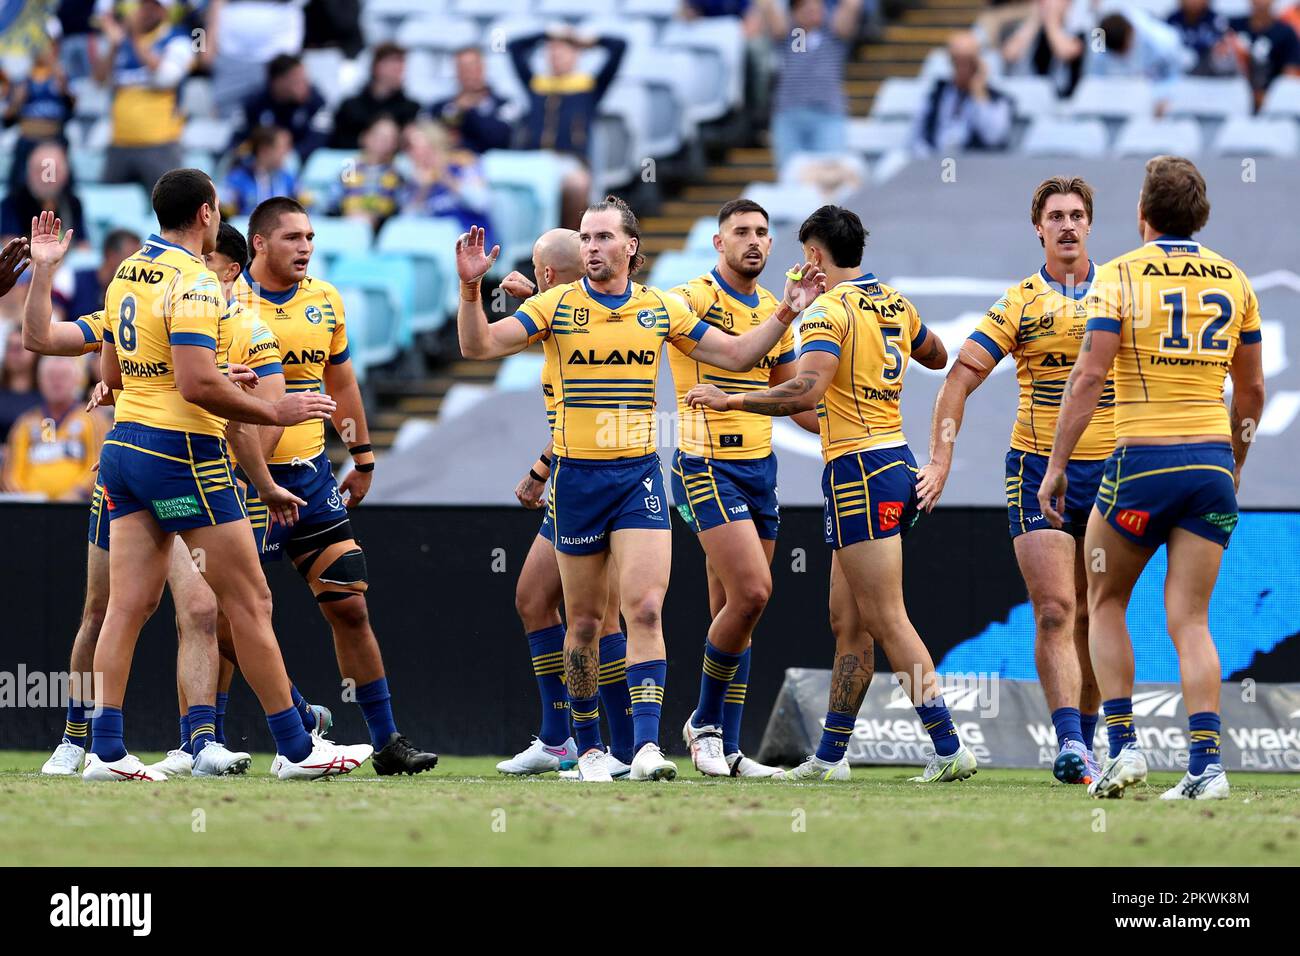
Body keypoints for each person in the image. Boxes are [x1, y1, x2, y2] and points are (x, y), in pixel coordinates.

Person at [455, 197, 825, 782]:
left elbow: (735, 354)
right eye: (585, 238)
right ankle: (589, 747)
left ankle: (648, 748)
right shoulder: (555, 306)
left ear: (630, 246)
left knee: (646, 608)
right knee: (581, 623)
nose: (592, 247)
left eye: (603, 237)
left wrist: (786, 312)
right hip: (578, 479)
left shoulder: (657, 309)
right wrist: (472, 290)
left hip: (640, 476)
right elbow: (478, 346)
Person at [88, 168, 371, 781]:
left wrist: (215, 378)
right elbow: (193, 385)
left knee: (126, 607)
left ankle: (104, 752)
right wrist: (276, 407)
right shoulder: (195, 281)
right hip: (181, 453)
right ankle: (298, 749)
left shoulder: (127, 273)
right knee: (251, 601)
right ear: (209, 213)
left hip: (124, 451)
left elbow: (112, 376)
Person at [684, 205, 975, 785]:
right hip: (895, 462)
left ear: (814, 255)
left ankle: (948, 746)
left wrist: (734, 400)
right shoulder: (895, 302)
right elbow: (939, 356)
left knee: (887, 618)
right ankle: (831, 756)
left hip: (857, 471)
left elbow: (803, 391)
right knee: (850, 622)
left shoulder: (828, 311)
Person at [1040, 156, 1266, 801]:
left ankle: (1124, 749)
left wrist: (1057, 467)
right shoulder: (1235, 279)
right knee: (1191, 621)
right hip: (1210, 468)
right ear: (1201, 217)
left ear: (1142, 214)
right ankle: (1206, 767)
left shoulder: (1118, 275)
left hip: (1141, 463)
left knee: (1105, 603)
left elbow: (1087, 378)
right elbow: (1250, 390)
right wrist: (1237, 460)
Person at [234, 196, 440, 775]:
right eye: (292, 237)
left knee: (350, 605)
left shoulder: (325, 300)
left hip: (311, 477)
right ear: (259, 243)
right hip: (243, 480)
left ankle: (386, 742)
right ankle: (281, 721)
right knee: (230, 616)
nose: (305, 248)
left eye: (310, 238)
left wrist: (364, 457)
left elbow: (343, 386)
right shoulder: (227, 303)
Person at [917, 177, 1107, 786]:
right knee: (1054, 610)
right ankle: (1071, 745)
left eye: (1077, 215)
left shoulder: (1122, 294)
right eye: (1056, 216)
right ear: (1039, 229)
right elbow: (956, 379)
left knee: (1097, 615)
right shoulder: (1021, 303)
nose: (1068, 225)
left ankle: (1094, 738)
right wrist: (941, 459)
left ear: (1090, 224)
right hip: (1034, 470)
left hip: (1112, 469)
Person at [669, 199, 803, 779]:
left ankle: (727, 747)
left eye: (763, 233)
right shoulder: (691, 298)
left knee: (734, 610)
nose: (754, 241)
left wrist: (865, 419)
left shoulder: (775, 307)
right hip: (703, 464)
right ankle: (702, 722)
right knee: (753, 593)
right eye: (741, 232)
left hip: (759, 467)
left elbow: (790, 397)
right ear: (718, 243)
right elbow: (732, 354)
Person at [494, 229, 634, 779]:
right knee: (534, 598)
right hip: (575, 477)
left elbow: (597, 409)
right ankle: (560, 737)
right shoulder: (558, 316)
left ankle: (622, 746)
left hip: (610, 480)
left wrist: (538, 471)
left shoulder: (589, 318)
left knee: (604, 617)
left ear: (548, 274)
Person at [507, 27, 628, 229]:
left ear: (576, 55)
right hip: (533, 159)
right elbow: (514, 47)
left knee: (577, 185)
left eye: (563, 50)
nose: (556, 56)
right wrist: (546, 34)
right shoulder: (536, 85)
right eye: (551, 51)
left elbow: (619, 46)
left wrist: (588, 40)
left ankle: (569, 239)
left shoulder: (589, 87)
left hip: (570, 161)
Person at [93, 0, 194, 190]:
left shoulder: (178, 39)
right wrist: (114, 46)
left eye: (153, 6)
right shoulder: (121, 43)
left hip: (161, 144)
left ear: (165, 10)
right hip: (120, 143)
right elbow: (99, 79)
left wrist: (136, 36)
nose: (145, 11)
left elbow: (166, 77)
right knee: (110, 204)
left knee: (169, 205)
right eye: (143, 5)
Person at [760, 0, 861, 171]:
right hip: (790, 115)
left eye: (816, 5)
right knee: (792, 175)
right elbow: (770, 11)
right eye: (805, 6)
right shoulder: (793, 36)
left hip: (827, 114)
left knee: (831, 175)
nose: (812, 9)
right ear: (795, 11)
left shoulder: (832, 34)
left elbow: (851, 6)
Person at [1, 355, 104, 500]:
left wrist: (77, 494)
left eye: (63, 376)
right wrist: (26, 499)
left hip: (79, 509)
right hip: (30, 511)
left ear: (77, 380)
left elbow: (100, 466)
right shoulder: (25, 423)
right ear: (39, 380)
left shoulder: (93, 419)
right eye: (50, 376)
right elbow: (11, 473)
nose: (56, 381)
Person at [912, 31, 1014, 157]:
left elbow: (994, 137)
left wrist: (979, 91)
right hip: (936, 166)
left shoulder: (996, 99)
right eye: (957, 60)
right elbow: (917, 137)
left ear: (978, 62)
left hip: (975, 168)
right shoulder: (935, 95)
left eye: (968, 60)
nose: (962, 66)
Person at [3, 38, 75, 190]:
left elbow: (73, 108)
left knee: (53, 189)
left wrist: (63, 84)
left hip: (53, 141)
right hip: (27, 142)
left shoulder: (61, 78)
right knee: (19, 190)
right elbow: (7, 118)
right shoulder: (23, 80)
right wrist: (17, 101)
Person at [232, 54, 330, 162]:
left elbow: (317, 142)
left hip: (299, 164)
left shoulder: (316, 102)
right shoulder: (253, 102)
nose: (304, 85)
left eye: (304, 79)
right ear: (278, 82)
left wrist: (286, 157)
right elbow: (238, 141)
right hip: (259, 164)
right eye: (297, 81)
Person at [1085, 11, 1188, 114]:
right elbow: (1094, 79)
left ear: (1131, 33)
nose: (1122, 57)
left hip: (1153, 99)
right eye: (1117, 54)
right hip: (1119, 100)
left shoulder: (1163, 42)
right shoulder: (1099, 38)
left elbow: (1177, 76)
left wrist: (1162, 96)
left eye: (1124, 50)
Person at [402, 120, 493, 236]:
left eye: (427, 150)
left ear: (438, 146)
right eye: (413, 150)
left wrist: (447, 179)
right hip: (433, 240)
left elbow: (480, 203)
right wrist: (423, 191)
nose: (420, 156)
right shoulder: (414, 181)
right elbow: (406, 223)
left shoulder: (464, 164)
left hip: (470, 240)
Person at [330, 42, 420, 150]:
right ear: (377, 67)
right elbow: (336, 142)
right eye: (394, 66)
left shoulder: (410, 109)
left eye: (401, 66)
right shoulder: (350, 107)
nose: (399, 71)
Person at [427, 47, 513, 156]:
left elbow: (500, 138)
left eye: (473, 66)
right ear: (456, 72)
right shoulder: (439, 107)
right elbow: (436, 135)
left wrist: (472, 111)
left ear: (483, 68)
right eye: (463, 68)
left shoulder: (504, 105)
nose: (469, 73)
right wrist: (457, 109)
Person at [330, 116, 405, 234]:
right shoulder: (349, 169)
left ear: (395, 144)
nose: (382, 141)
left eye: (389, 138)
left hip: (380, 232)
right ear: (365, 137)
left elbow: (399, 209)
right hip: (345, 226)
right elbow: (332, 202)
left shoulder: (397, 175)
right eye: (378, 135)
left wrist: (376, 219)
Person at [997, 0, 1087, 97]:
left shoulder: (1078, 31)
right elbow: (1009, 54)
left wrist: (1051, 21)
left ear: (1067, 3)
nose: (1045, 3)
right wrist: (1034, 22)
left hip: (1063, 100)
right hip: (1028, 95)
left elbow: (1065, 52)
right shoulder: (1024, 29)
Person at [53, 228, 141, 326]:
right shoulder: (69, 279)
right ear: (111, 254)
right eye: (132, 258)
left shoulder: (134, 293)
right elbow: (53, 324)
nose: (137, 266)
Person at [0, 142, 86, 242]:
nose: (46, 179)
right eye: (40, 170)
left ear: (65, 174)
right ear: (29, 173)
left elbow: (83, 246)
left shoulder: (73, 204)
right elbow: (10, 245)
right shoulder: (12, 203)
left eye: (53, 172)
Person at [1226, 0, 1300, 110]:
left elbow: (1290, 75)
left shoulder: (1286, 32)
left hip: (1270, 99)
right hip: (1232, 93)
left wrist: (1269, 98)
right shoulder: (1231, 26)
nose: (1260, 1)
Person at [221, 125, 300, 218]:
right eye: (282, 147)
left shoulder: (288, 179)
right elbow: (225, 210)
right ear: (264, 150)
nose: (287, 153)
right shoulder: (238, 178)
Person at [1167, 0, 1235, 77]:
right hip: (1180, 69)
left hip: (1209, 67)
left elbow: (1224, 42)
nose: (1193, 2)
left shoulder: (1216, 20)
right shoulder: (1172, 20)